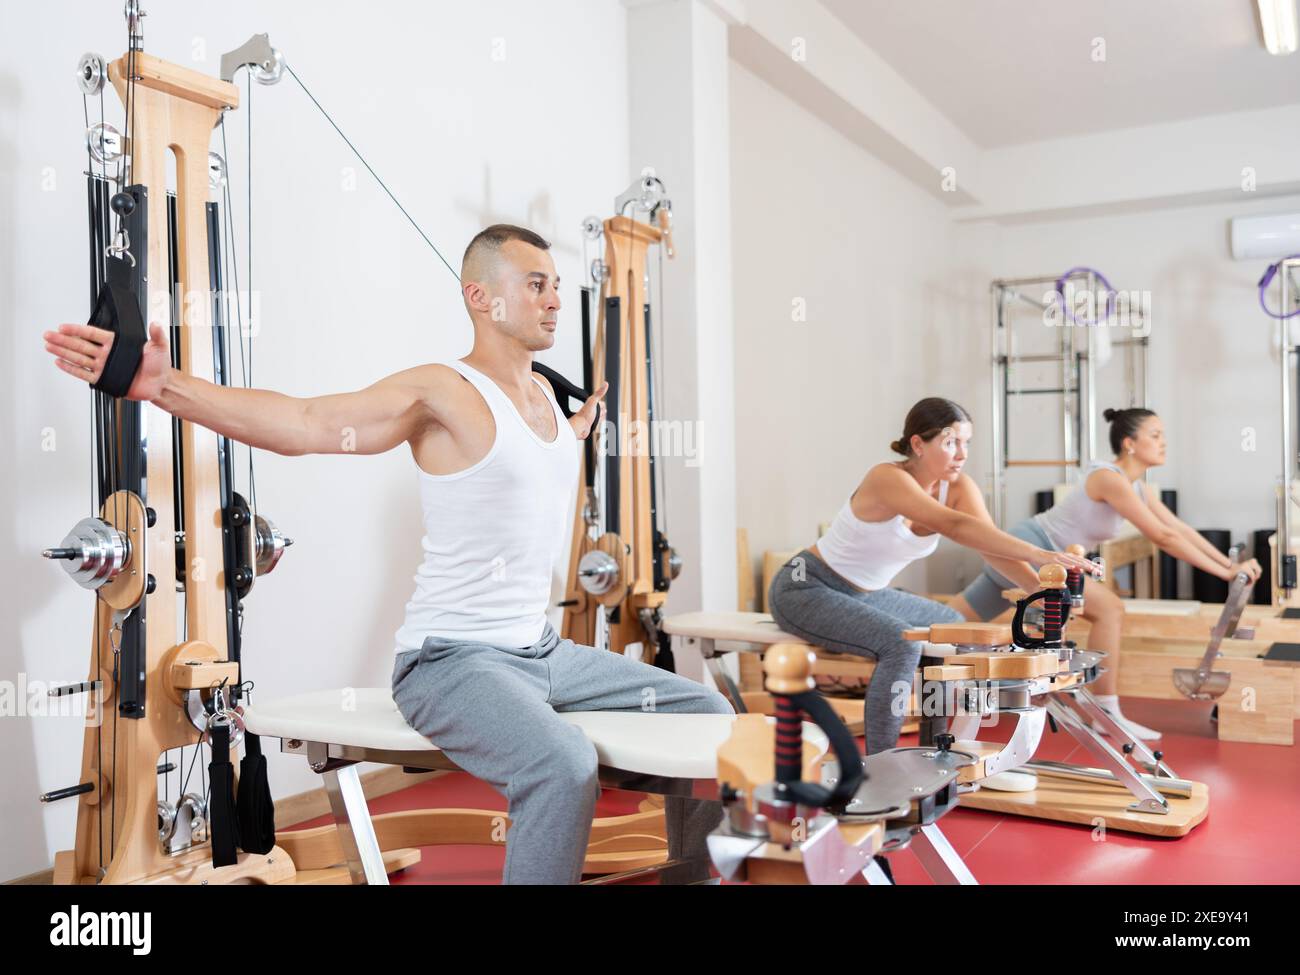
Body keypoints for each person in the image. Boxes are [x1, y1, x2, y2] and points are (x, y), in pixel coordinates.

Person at [43, 223, 733, 885]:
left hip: (545, 653)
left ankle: (691, 876)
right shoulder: (442, 392)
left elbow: (528, 468)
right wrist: (165, 386)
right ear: (481, 297)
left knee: (707, 718)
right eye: (535, 284)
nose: (555, 299)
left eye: (556, 284)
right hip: (452, 661)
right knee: (562, 765)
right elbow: (306, 422)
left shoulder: (549, 400)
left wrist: (577, 427)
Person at [767, 397, 1095, 754]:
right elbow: (953, 526)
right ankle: (881, 765)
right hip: (806, 588)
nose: (962, 453)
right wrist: (1040, 553)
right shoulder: (886, 477)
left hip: (867, 593)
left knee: (950, 627)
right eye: (951, 442)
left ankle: (931, 752)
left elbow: (988, 546)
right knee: (901, 642)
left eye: (966, 443)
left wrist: (1042, 590)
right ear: (918, 445)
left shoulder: (958, 487)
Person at [949, 407, 1263, 741]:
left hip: (1045, 555)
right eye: (1155, 435)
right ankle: (1106, 712)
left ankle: (908, 659)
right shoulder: (1108, 478)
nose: (1163, 443)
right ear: (1129, 443)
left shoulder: (1137, 487)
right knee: (1111, 609)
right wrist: (1226, 572)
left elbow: (1176, 527)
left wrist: (1229, 567)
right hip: (1037, 549)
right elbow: (1162, 537)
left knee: (951, 624)